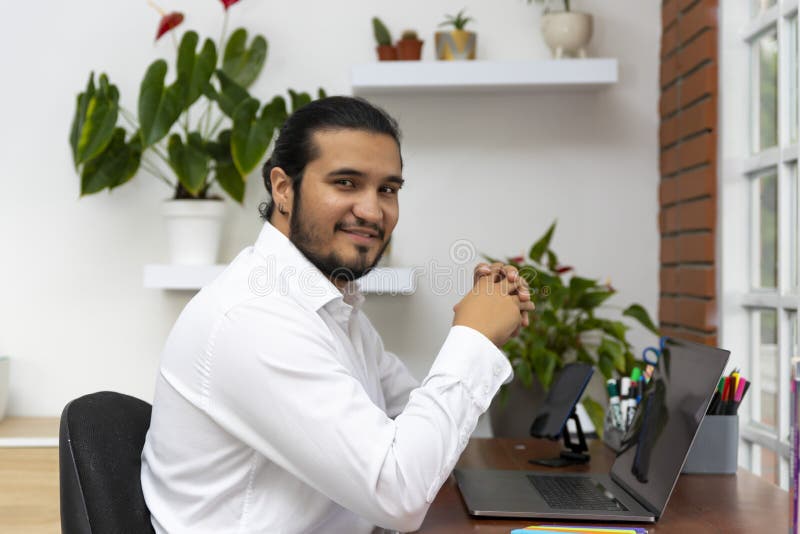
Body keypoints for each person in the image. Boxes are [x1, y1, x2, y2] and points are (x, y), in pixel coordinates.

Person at [141, 96, 533, 533]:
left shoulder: (332, 308)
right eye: (346, 183)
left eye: (388, 189)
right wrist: (473, 336)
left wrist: (482, 329)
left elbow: (422, 439)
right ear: (283, 189)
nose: (372, 211)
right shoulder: (254, 318)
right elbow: (400, 493)